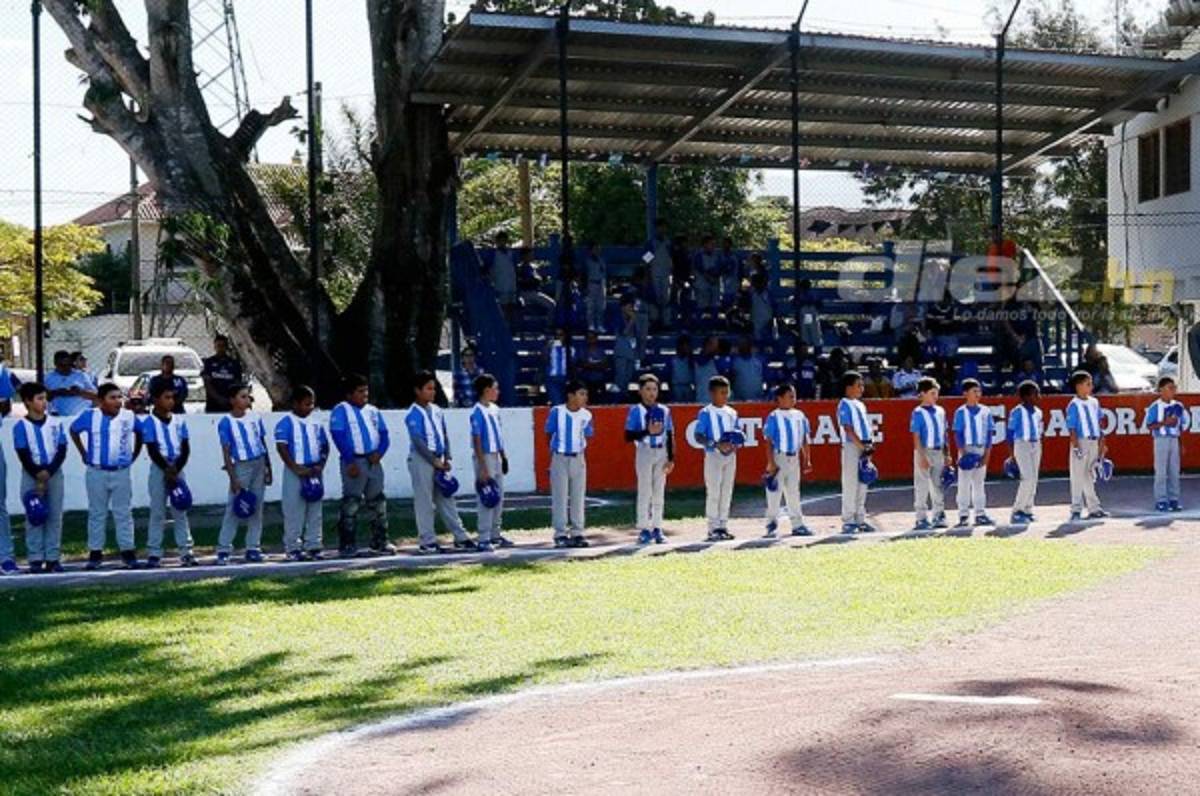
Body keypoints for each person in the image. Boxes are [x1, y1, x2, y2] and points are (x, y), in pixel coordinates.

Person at [70, 383, 143, 570]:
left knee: (123, 512)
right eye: (113, 397)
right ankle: (95, 553)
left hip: (121, 471)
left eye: (120, 397)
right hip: (97, 471)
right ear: (101, 401)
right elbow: (74, 430)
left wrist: (133, 454)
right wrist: (83, 453)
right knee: (97, 512)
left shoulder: (128, 416)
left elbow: (140, 433)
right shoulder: (90, 416)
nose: (118, 401)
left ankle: (128, 552)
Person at [407, 370, 476, 555]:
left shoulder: (437, 411)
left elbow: (444, 435)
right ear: (417, 391)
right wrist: (433, 460)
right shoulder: (413, 414)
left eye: (434, 388)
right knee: (425, 501)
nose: (432, 392)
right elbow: (418, 440)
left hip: (439, 460)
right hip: (422, 460)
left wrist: (447, 457)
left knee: (447, 498)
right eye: (428, 389)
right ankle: (427, 540)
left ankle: (460, 536)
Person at [330, 374, 392, 557]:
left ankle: (380, 540)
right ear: (349, 394)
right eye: (360, 391)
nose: (364, 394)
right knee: (351, 503)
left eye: (366, 390)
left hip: (373, 461)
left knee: (378, 502)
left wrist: (379, 453)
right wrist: (349, 460)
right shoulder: (341, 410)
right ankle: (347, 543)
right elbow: (338, 436)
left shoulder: (373, 411)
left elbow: (384, 434)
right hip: (354, 461)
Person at [12, 383, 68, 574]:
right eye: (39, 399)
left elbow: (61, 449)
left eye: (45, 398)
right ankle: (35, 557)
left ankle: (53, 557)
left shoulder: (56, 423)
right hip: (31, 473)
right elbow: (22, 452)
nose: (44, 403)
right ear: (28, 401)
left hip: (53, 472)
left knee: (54, 515)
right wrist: (37, 473)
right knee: (34, 515)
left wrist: (49, 471)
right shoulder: (21, 426)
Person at [216, 384, 272, 565]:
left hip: (258, 462)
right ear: (232, 400)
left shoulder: (255, 418)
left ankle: (253, 547)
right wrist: (233, 477)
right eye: (242, 396)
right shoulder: (226, 422)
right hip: (241, 465)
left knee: (256, 505)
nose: (247, 400)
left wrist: (268, 467)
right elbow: (226, 450)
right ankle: (224, 548)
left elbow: (262, 442)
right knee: (234, 505)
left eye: (247, 396)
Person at [141, 382, 194, 568]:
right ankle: (154, 552)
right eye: (166, 397)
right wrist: (166, 469)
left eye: (172, 397)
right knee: (157, 511)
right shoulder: (149, 422)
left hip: (177, 468)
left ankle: (186, 551)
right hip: (159, 468)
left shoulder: (179, 421)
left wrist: (176, 469)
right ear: (156, 400)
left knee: (181, 509)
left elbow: (185, 448)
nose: (171, 401)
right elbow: (152, 449)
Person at [275, 385, 330, 562]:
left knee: (315, 510)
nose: (310, 407)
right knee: (294, 510)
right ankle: (293, 547)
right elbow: (282, 448)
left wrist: (320, 465)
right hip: (295, 471)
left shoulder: (316, 423)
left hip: (314, 470)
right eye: (306, 404)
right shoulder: (285, 423)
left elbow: (324, 446)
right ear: (296, 404)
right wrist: (295, 468)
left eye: (312, 404)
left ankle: (314, 545)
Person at [625, 374, 674, 545]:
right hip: (645, 450)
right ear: (640, 391)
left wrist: (671, 458)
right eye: (647, 389)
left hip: (661, 452)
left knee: (659, 491)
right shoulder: (635, 410)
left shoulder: (665, 410)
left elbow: (669, 434)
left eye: (654, 389)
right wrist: (647, 431)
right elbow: (628, 435)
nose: (652, 393)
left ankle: (658, 527)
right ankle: (644, 528)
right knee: (645, 489)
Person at [547, 380, 594, 548]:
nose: (585, 398)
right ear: (570, 395)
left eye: (585, 394)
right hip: (560, 456)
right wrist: (552, 456)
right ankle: (560, 533)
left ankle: (577, 532)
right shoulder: (557, 412)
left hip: (578, 457)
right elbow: (549, 433)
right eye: (581, 394)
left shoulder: (587, 415)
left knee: (578, 495)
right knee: (560, 496)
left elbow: (587, 434)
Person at [695, 375, 741, 542]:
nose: (725, 396)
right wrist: (715, 444)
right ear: (712, 394)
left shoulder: (732, 412)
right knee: (714, 491)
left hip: (730, 455)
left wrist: (735, 444)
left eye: (726, 392)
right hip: (713, 455)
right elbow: (699, 435)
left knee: (727, 490)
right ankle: (712, 527)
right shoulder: (705, 413)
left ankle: (723, 524)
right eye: (721, 392)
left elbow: (736, 432)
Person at [763, 383, 812, 538]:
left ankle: (797, 524)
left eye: (794, 396)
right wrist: (771, 462)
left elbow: (804, 438)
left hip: (794, 457)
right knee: (774, 492)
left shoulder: (800, 415)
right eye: (790, 396)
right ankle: (771, 524)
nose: (793, 399)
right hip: (779, 456)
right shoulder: (774, 416)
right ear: (780, 398)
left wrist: (807, 459)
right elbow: (769, 441)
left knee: (793, 492)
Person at [470, 373, 512, 551]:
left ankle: (495, 533)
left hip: (495, 455)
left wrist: (503, 455)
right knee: (486, 497)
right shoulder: (476, 412)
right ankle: (484, 536)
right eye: (495, 388)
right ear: (487, 390)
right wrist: (483, 466)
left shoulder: (495, 409)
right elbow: (477, 439)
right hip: (485, 456)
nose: (497, 391)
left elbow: (499, 435)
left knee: (498, 495)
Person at [1066, 371, 1108, 522]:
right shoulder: (1073, 404)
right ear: (1078, 386)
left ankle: (1094, 507)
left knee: (1090, 475)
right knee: (1077, 476)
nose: (1091, 386)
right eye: (1087, 384)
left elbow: (1099, 423)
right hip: (1081, 441)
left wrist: (1102, 443)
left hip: (1093, 441)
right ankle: (1076, 508)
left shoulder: (1094, 402)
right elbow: (1072, 428)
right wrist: (1076, 446)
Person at [952, 378, 994, 527]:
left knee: (979, 483)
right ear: (965, 393)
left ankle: (980, 513)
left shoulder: (985, 411)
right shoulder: (961, 412)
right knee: (963, 483)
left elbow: (989, 433)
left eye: (979, 391)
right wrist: (962, 452)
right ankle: (963, 514)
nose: (978, 394)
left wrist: (987, 453)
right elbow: (958, 433)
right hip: (967, 448)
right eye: (974, 391)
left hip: (980, 447)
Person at [837, 371, 874, 534]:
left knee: (863, 482)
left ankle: (860, 517)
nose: (862, 388)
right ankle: (848, 519)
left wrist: (869, 445)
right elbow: (848, 429)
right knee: (850, 483)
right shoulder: (844, 404)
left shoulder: (861, 404)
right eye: (858, 385)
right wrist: (861, 445)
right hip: (852, 446)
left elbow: (865, 427)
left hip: (864, 446)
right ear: (848, 387)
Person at [910, 377, 948, 531]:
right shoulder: (918, 412)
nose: (935, 396)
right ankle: (921, 517)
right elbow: (916, 436)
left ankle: (939, 514)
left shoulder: (941, 411)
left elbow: (944, 433)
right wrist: (921, 456)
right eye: (932, 393)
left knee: (938, 484)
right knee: (922, 484)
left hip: (938, 450)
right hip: (924, 450)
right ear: (922, 394)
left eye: (936, 393)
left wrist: (947, 453)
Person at [1145, 375, 1187, 513]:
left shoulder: (1178, 406)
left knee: (1174, 471)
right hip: (1160, 440)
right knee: (1161, 471)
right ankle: (1161, 500)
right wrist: (1164, 423)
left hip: (1174, 439)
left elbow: (1182, 425)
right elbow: (1149, 426)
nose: (1173, 390)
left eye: (1174, 388)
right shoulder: (1155, 407)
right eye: (1170, 388)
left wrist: (1181, 443)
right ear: (1161, 389)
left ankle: (1174, 499)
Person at [1006, 380, 1043, 525]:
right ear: (1026, 396)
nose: (1039, 396)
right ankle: (1017, 510)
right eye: (1035, 393)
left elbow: (1040, 430)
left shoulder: (1038, 412)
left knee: (1034, 478)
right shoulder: (1017, 411)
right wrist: (1011, 454)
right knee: (1026, 477)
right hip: (1021, 444)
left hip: (1035, 444)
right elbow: (1010, 434)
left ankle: (1028, 509)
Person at [45, 349, 96, 416]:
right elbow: (42, 397)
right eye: (61, 365)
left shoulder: (81, 375)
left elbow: (95, 396)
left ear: (70, 363)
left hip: (82, 416)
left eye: (67, 364)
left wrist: (79, 392)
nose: (65, 368)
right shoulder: (48, 378)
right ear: (55, 363)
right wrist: (57, 392)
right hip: (58, 417)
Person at [201, 335, 244, 414]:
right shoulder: (209, 362)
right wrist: (218, 398)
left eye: (223, 346)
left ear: (227, 347)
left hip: (230, 403)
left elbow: (238, 383)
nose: (221, 348)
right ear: (215, 346)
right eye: (218, 346)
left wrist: (231, 399)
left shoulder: (234, 363)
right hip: (213, 404)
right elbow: (207, 384)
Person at [613, 295, 644, 401]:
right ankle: (618, 398)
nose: (631, 308)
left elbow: (638, 334)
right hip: (621, 351)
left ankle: (624, 396)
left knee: (628, 376)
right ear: (623, 307)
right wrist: (632, 320)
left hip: (631, 352)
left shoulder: (634, 318)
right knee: (620, 378)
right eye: (629, 306)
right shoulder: (618, 317)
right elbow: (624, 332)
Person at [644, 218, 673, 324]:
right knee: (655, 299)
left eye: (664, 227)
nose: (662, 229)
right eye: (660, 227)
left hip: (666, 275)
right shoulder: (651, 243)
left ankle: (666, 322)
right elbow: (647, 260)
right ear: (656, 228)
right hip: (655, 274)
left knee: (666, 299)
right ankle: (655, 321)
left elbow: (671, 258)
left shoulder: (668, 242)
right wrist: (647, 276)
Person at [484, 230, 518, 314]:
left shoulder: (511, 253)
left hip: (512, 284)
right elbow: (487, 268)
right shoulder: (493, 254)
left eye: (504, 240)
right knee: (502, 307)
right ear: (497, 241)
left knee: (512, 306)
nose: (502, 242)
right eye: (500, 241)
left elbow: (515, 267)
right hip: (500, 285)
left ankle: (511, 325)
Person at [517, 247, 556, 315]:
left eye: (531, 254)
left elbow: (537, 279)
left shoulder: (532, 267)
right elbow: (524, 281)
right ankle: (550, 324)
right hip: (527, 293)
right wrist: (535, 280)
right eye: (529, 255)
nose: (531, 256)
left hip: (535, 292)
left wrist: (541, 279)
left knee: (552, 304)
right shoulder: (521, 267)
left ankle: (549, 322)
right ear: (524, 256)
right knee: (552, 304)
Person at [691, 235, 721, 313]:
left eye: (714, 244)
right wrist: (709, 278)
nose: (713, 246)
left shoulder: (716, 255)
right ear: (705, 244)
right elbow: (700, 270)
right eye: (711, 244)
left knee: (715, 307)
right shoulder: (698, 255)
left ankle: (714, 324)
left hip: (714, 286)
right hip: (702, 287)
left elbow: (719, 269)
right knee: (700, 307)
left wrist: (715, 276)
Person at [730, 336, 764, 401]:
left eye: (745, 344)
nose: (743, 346)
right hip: (739, 401)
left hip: (757, 400)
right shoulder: (734, 362)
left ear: (750, 345)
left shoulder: (758, 361)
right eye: (741, 344)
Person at [543, 327, 570, 406]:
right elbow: (544, 360)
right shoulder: (550, 348)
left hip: (566, 379)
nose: (558, 337)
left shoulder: (571, 349)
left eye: (560, 335)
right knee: (557, 403)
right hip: (552, 379)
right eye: (556, 335)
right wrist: (547, 348)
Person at [584, 242, 608, 333]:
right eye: (595, 248)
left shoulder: (602, 259)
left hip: (601, 283)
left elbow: (604, 272)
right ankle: (591, 324)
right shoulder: (587, 260)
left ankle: (600, 324)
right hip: (591, 283)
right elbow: (585, 274)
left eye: (598, 248)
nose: (597, 250)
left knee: (601, 305)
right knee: (591, 305)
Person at [795, 278, 823, 352]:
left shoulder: (810, 293)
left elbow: (819, 303)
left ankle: (815, 351)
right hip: (808, 313)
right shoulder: (802, 293)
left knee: (811, 333)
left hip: (809, 313)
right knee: (811, 333)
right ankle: (809, 351)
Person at [668, 335, 695, 403]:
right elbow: (668, 376)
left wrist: (690, 354)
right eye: (684, 345)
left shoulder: (690, 360)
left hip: (688, 386)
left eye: (687, 346)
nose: (686, 348)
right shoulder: (673, 360)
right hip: (676, 387)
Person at [749, 270, 774, 343]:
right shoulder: (752, 294)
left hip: (766, 322)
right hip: (756, 322)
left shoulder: (767, 295)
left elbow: (774, 307)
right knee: (758, 341)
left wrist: (771, 320)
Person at [718, 236, 742, 308]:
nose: (725, 245)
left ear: (730, 245)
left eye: (727, 243)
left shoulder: (735, 256)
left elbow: (740, 270)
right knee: (725, 303)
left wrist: (740, 282)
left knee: (734, 304)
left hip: (734, 283)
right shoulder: (720, 256)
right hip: (723, 284)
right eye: (724, 244)